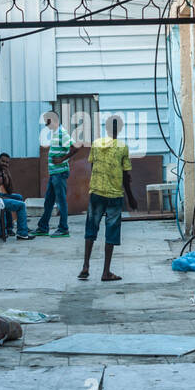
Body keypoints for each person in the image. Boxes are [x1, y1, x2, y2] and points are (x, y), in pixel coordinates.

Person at [78, 115, 137, 282]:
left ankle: (85, 266)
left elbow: (93, 166)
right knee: (111, 232)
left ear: (106, 128)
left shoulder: (96, 144)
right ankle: (106, 272)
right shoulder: (122, 147)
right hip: (114, 195)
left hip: (96, 192)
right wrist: (131, 197)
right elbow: (126, 176)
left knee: (91, 229)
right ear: (120, 129)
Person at [36, 111, 79, 238]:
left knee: (61, 201)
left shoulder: (62, 133)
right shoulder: (55, 133)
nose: (45, 124)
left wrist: (62, 159)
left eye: (47, 121)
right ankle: (43, 227)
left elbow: (75, 147)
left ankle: (63, 228)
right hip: (54, 173)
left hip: (59, 173)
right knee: (48, 201)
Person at [0, 151, 31, 238]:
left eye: (7, 162)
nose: (4, 164)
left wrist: (8, 175)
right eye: (3, 161)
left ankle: (17, 227)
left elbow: (10, 191)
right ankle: (18, 230)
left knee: (18, 197)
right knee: (19, 204)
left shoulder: (3, 171)